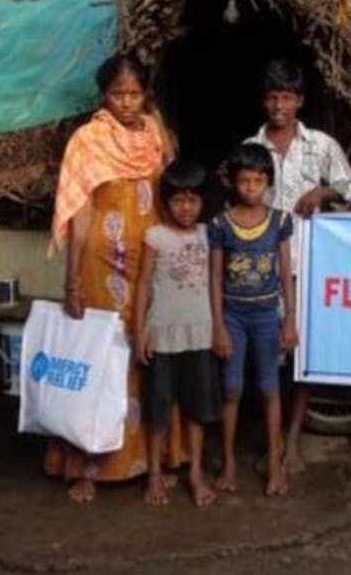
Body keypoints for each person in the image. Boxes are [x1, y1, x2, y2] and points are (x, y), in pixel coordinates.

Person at [47, 54, 182, 502]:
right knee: (101, 362)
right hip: (100, 268)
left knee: (150, 356)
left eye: (134, 93)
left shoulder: (156, 134)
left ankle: (153, 461)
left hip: (150, 262)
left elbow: (172, 196)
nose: (126, 102)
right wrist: (71, 283)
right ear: (103, 95)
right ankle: (88, 467)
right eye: (117, 93)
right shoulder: (87, 140)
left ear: (146, 94)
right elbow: (79, 213)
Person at [242, 59, 351, 476]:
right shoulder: (252, 147)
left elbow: (350, 189)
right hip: (261, 270)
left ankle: (291, 442)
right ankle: (272, 442)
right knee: (265, 360)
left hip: (308, 269)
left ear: (300, 101)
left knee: (300, 359)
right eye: (273, 98)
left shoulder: (321, 145)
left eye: (287, 98)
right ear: (264, 100)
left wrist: (321, 192)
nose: (279, 106)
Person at [209, 143, 298, 497]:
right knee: (231, 389)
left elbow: (286, 274)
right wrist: (218, 326)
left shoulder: (280, 222)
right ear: (233, 182)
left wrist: (289, 321)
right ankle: (229, 464)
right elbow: (214, 279)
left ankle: (275, 465)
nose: (250, 188)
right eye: (244, 181)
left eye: (258, 181)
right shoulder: (220, 224)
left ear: (267, 183)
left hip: (266, 317)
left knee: (269, 389)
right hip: (232, 317)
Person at [132, 159, 221, 507]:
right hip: (162, 334)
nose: (186, 208)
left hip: (200, 334)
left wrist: (219, 329)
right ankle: (154, 473)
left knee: (197, 408)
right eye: (178, 200)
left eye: (193, 200)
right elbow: (143, 286)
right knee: (158, 408)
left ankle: (195, 472)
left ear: (203, 202)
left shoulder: (209, 234)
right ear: (166, 202)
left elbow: (216, 283)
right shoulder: (155, 236)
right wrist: (139, 332)